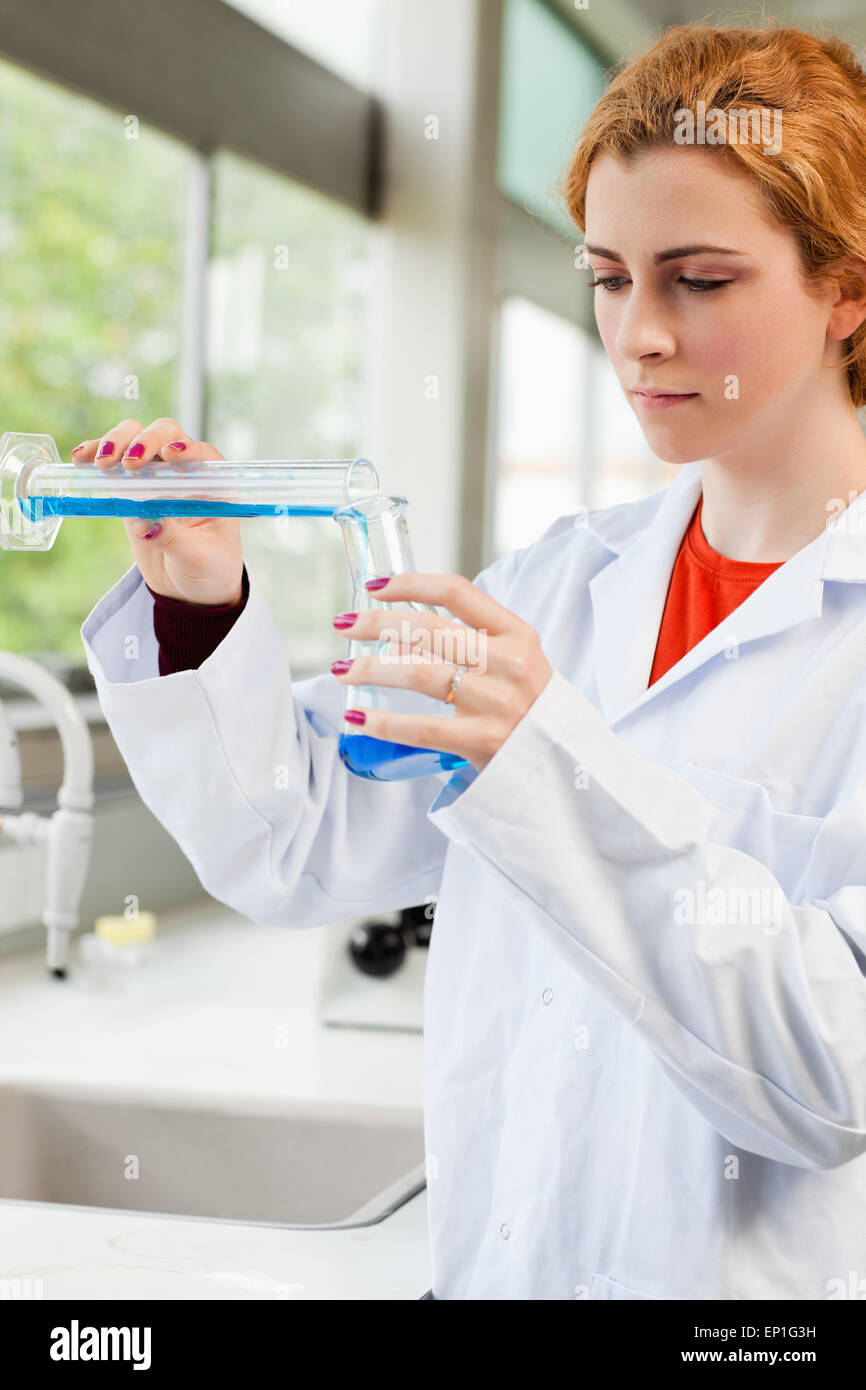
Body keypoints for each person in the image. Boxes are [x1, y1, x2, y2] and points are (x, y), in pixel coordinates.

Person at [78, 22, 866, 1299]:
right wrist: (198, 599)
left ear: (846, 290)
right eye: (609, 277)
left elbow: (828, 1076)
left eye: (700, 279)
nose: (639, 333)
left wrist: (539, 755)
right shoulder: (556, 583)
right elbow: (300, 839)